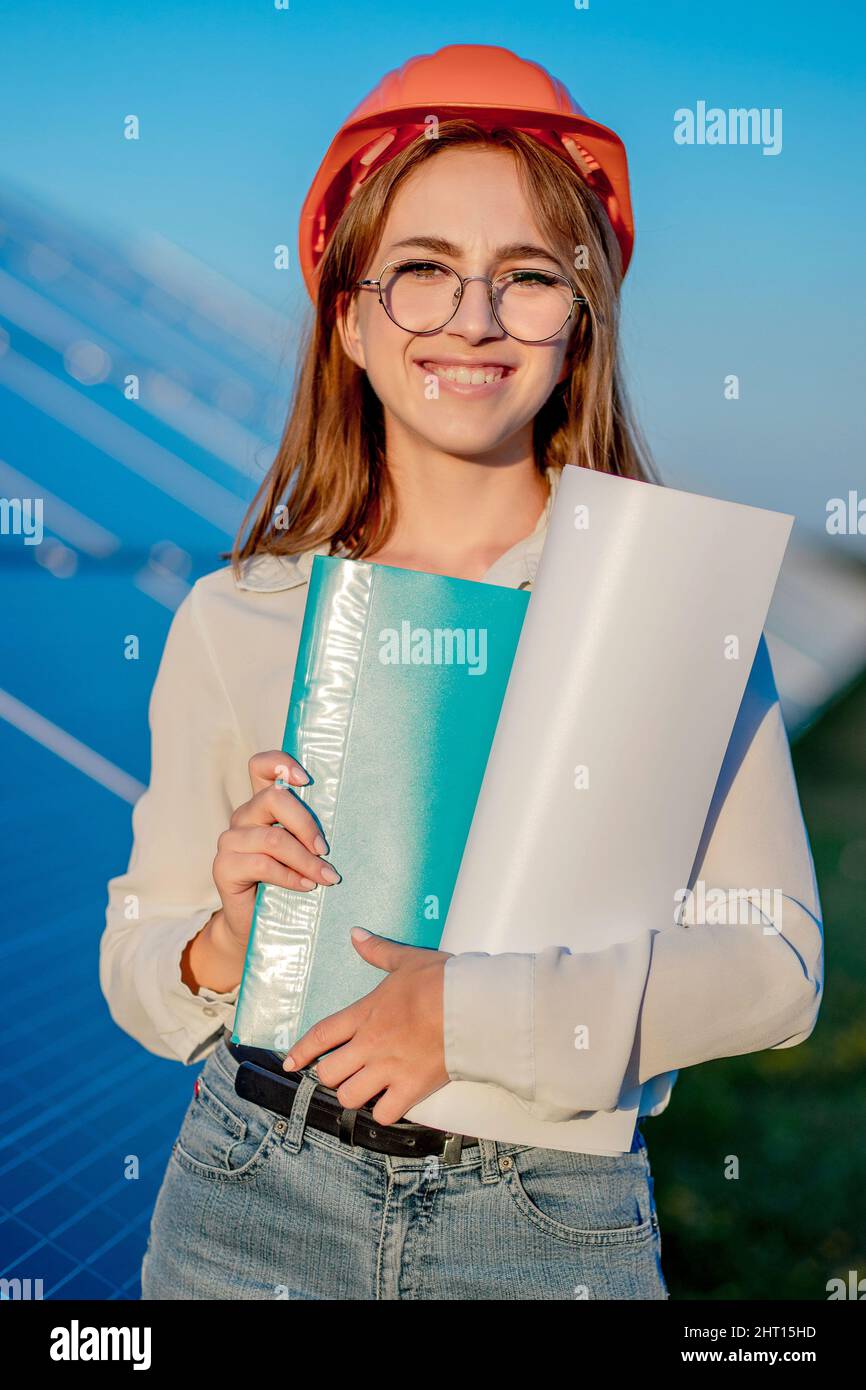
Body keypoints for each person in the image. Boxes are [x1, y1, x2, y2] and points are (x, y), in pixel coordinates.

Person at [100, 44, 823, 1301]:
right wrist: (223, 936)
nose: (473, 321)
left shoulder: (671, 608)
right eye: (422, 272)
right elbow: (137, 954)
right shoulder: (240, 613)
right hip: (247, 1193)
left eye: (526, 279)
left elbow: (775, 965)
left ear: (577, 321)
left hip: (542, 1220)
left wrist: (470, 1018)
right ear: (350, 317)